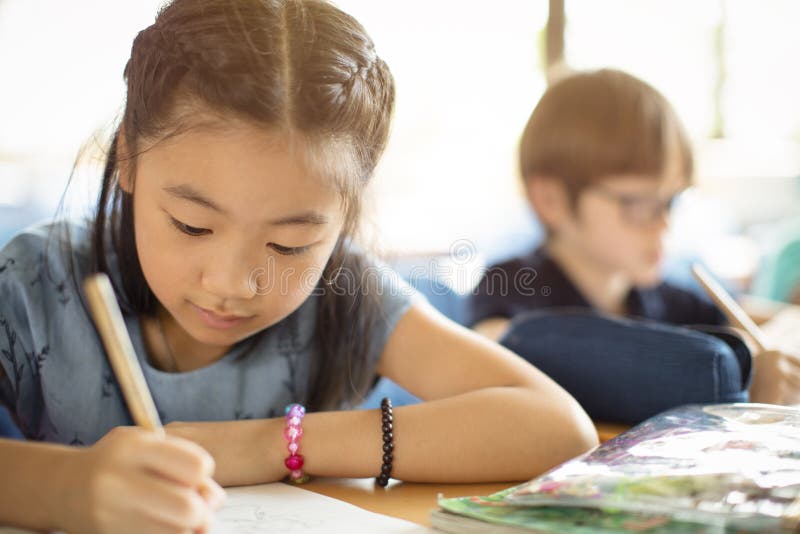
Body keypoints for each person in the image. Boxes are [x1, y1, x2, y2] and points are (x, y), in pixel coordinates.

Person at [0, 1, 597, 532]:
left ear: (345, 215)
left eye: (290, 245)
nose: (233, 283)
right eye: (192, 225)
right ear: (127, 157)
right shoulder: (34, 282)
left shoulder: (346, 291)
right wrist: (65, 488)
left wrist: (273, 444)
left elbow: (557, 427)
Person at [468, 68, 800, 407]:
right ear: (550, 200)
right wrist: (745, 386)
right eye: (639, 205)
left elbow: (741, 314)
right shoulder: (511, 284)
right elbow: (492, 348)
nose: (664, 224)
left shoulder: (659, 296)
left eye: (671, 201)